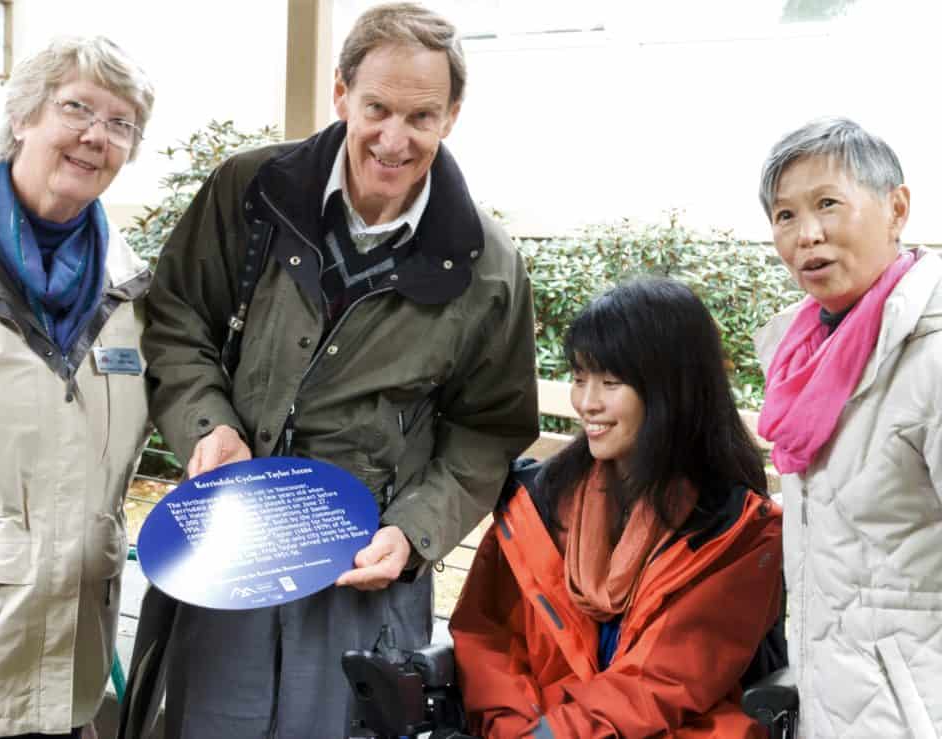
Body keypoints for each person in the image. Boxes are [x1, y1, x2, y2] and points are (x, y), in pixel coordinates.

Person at [119, 3, 538, 738]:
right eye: (377, 107)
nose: (394, 138)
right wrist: (207, 425)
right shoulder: (251, 193)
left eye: (422, 116)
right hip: (231, 555)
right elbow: (177, 317)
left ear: (452, 116)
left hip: (362, 576)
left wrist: (412, 531)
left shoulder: (487, 265)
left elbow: (489, 427)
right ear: (341, 93)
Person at [0, 36, 154, 739]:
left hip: (70, 676)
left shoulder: (135, 294)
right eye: (76, 107)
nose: (95, 136)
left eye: (121, 123)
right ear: (22, 115)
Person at [451, 278, 784, 738]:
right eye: (579, 377)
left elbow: (665, 679)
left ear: (673, 390)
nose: (587, 403)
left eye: (610, 382)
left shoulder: (736, 529)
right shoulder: (539, 501)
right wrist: (513, 728)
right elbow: (487, 639)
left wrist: (551, 735)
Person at [755, 118, 942, 736]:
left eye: (828, 204)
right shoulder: (799, 358)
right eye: (784, 216)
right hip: (829, 704)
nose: (806, 234)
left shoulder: (931, 359)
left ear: (897, 208)